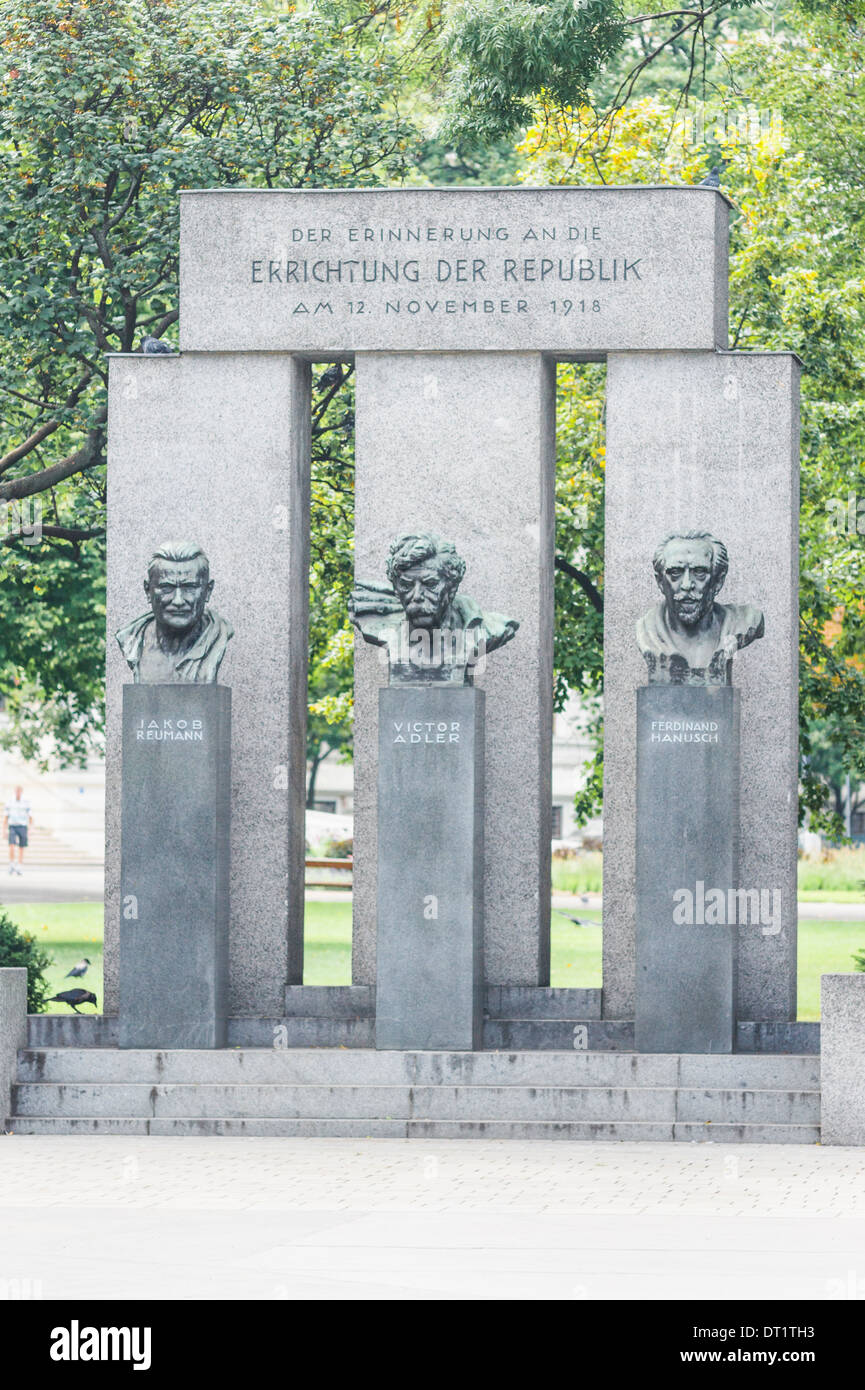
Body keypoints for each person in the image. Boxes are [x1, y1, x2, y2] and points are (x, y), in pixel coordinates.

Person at [350, 531, 519, 684]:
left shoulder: (487, 630)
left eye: (430, 584)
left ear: (451, 587)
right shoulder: (378, 625)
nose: (417, 595)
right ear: (396, 589)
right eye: (406, 585)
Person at [636, 530, 764, 685]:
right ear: (660, 582)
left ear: (718, 581)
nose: (687, 585)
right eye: (675, 573)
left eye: (699, 573)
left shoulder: (745, 622)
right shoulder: (647, 632)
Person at [115, 541, 233, 683]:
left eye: (190, 587)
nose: (178, 601)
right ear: (148, 591)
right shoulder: (132, 641)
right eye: (166, 587)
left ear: (208, 591)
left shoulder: (219, 636)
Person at [4, 785, 32, 876]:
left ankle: (19, 865)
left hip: (23, 826)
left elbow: (30, 816)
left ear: (21, 792)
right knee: (11, 845)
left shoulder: (26, 802)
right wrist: (4, 830)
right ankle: (11, 864)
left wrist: (30, 829)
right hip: (12, 826)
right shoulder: (10, 801)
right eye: (16, 791)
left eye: (19, 791)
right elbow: (6, 816)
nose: (17, 793)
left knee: (21, 847)